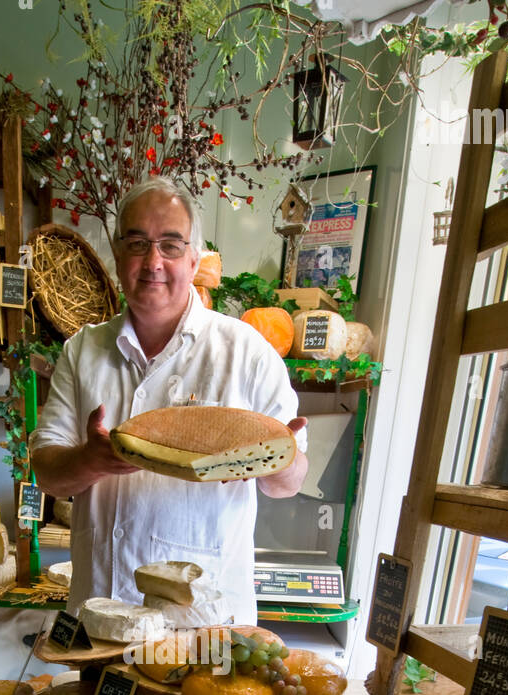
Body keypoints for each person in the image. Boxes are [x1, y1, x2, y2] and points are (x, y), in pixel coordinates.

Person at [30, 176, 308, 624]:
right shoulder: (81, 350)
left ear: (195, 258)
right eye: (137, 243)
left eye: (171, 245)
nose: (152, 261)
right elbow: (47, 473)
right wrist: (93, 460)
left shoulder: (246, 351)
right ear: (118, 255)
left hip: (204, 623)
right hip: (99, 615)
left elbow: (288, 482)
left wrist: (280, 456)